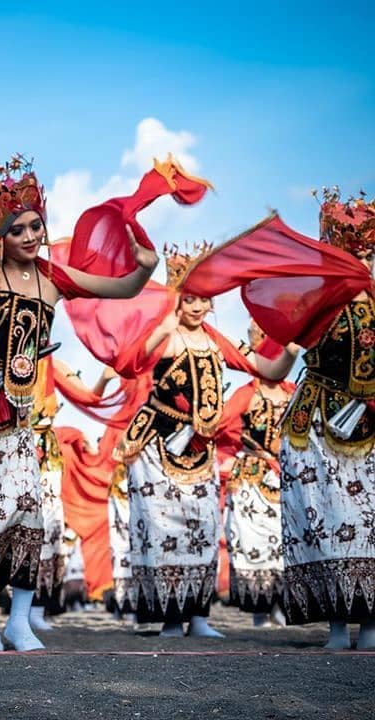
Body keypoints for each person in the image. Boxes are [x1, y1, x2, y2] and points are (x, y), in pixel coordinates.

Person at [0, 155, 160, 651]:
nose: (30, 236)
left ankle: (20, 621)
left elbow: (121, 289)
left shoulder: (54, 278)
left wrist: (144, 268)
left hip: (18, 415)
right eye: (18, 230)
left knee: (28, 509)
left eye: (35, 225)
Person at [113, 248, 298, 638]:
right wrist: (162, 327)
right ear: (176, 296)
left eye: (204, 299)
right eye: (189, 298)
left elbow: (267, 368)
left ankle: (198, 617)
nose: (197, 307)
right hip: (156, 446)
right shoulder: (164, 334)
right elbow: (130, 363)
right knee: (164, 530)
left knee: (201, 527)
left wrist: (292, 346)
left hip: (200, 449)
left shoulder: (216, 340)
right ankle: (169, 617)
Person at [276, 191, 375, 649]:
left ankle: (371, 623)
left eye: (368, 251)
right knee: (329, 519)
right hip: (315, 429)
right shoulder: (314, 303)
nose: (362, 258)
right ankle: (337, 623)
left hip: (370, 427)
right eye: (352, 251)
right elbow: (280, 364)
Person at [220, 323, 295, 627]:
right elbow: (219, 425)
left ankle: (282, 605)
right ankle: (260, 610)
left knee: (285, 542)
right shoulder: (245, 394)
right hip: (253, 477)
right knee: (255, 542)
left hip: (288, 477)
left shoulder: (294, 393)